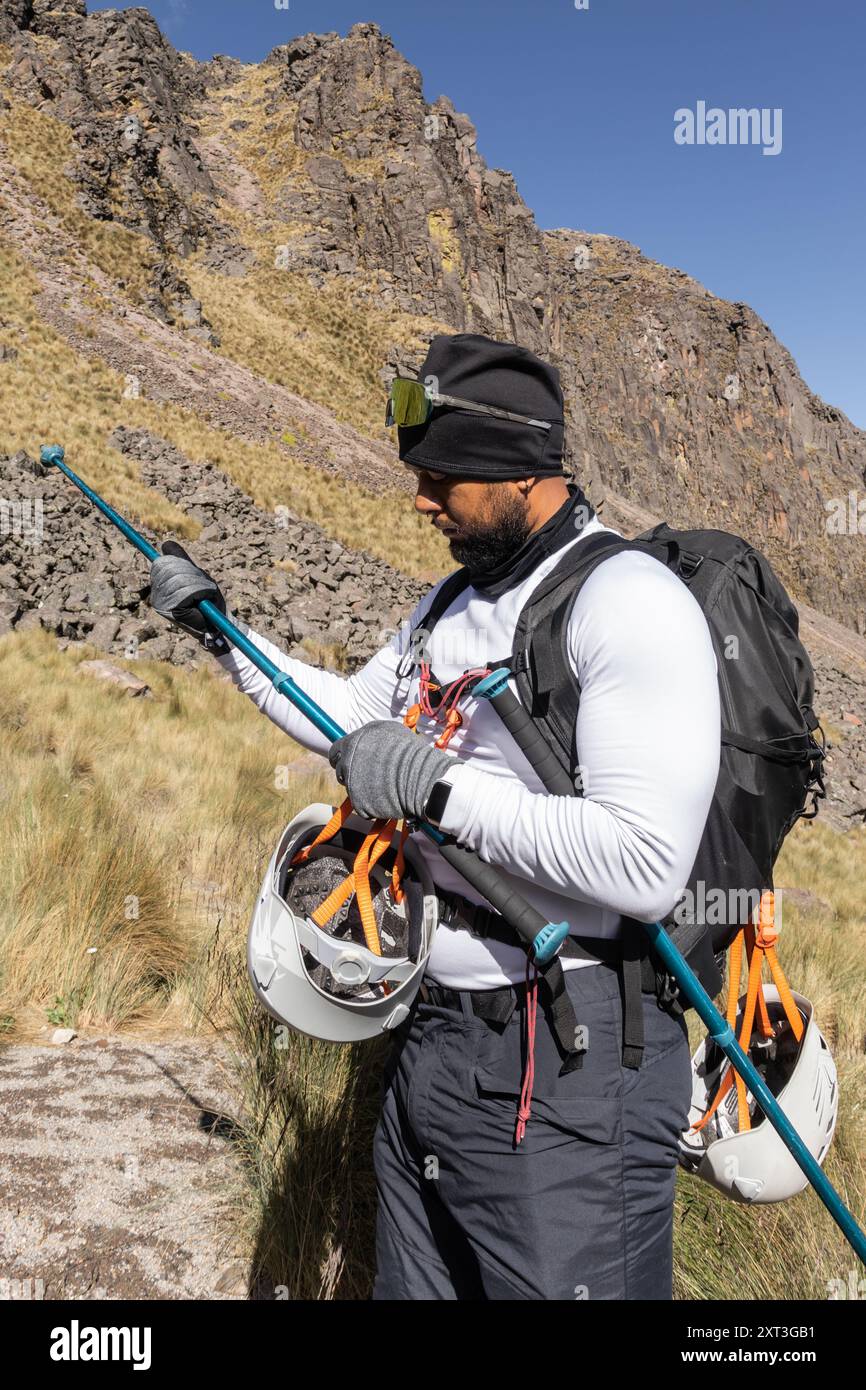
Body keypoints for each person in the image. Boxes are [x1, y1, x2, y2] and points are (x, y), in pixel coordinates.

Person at [150, 332, 721, 1300]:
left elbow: (642, 864)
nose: (420, 500)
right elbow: (354, 719)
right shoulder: (451, 599)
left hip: (568, 1052)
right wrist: (224, 633)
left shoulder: (628, 601)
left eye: (443, 478)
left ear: (522, 471)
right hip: (434, 1034)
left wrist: (435, 786)